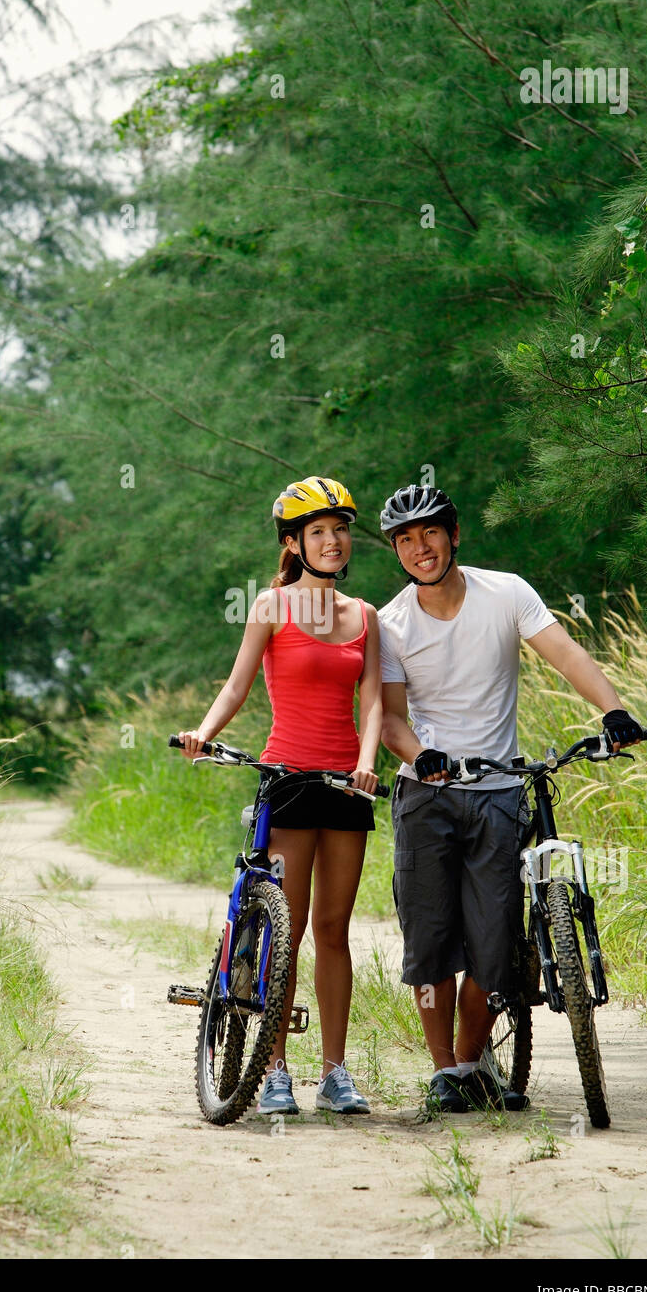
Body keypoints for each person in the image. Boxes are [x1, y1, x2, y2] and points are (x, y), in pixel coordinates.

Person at [377, 483, 647, 1116]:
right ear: (396, 551)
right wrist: (422, 757)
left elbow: (563, 652)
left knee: (494, 944)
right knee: (431, 944)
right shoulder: (390, 624)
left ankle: (471, 1065)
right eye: (406, 540)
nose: (421, 548)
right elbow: (389, 721)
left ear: (454, 534)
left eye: (431, 533)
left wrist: (613, 709)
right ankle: (447, 1072)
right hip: (427, 795)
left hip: (499, 791)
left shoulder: (507, 592)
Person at [176, 477, 382, 1117]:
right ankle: (275, 1070)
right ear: (294, 542)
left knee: (333, 930)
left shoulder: (365, 615)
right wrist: (203, 735)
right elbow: (236, 687)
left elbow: (373, 701)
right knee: (284, 933)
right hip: (288, 780)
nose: (333, 540)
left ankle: (336, 1073)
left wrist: (369, 764)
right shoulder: (270, 606)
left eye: (340, 530)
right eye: (318, 531)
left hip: (347, 783)